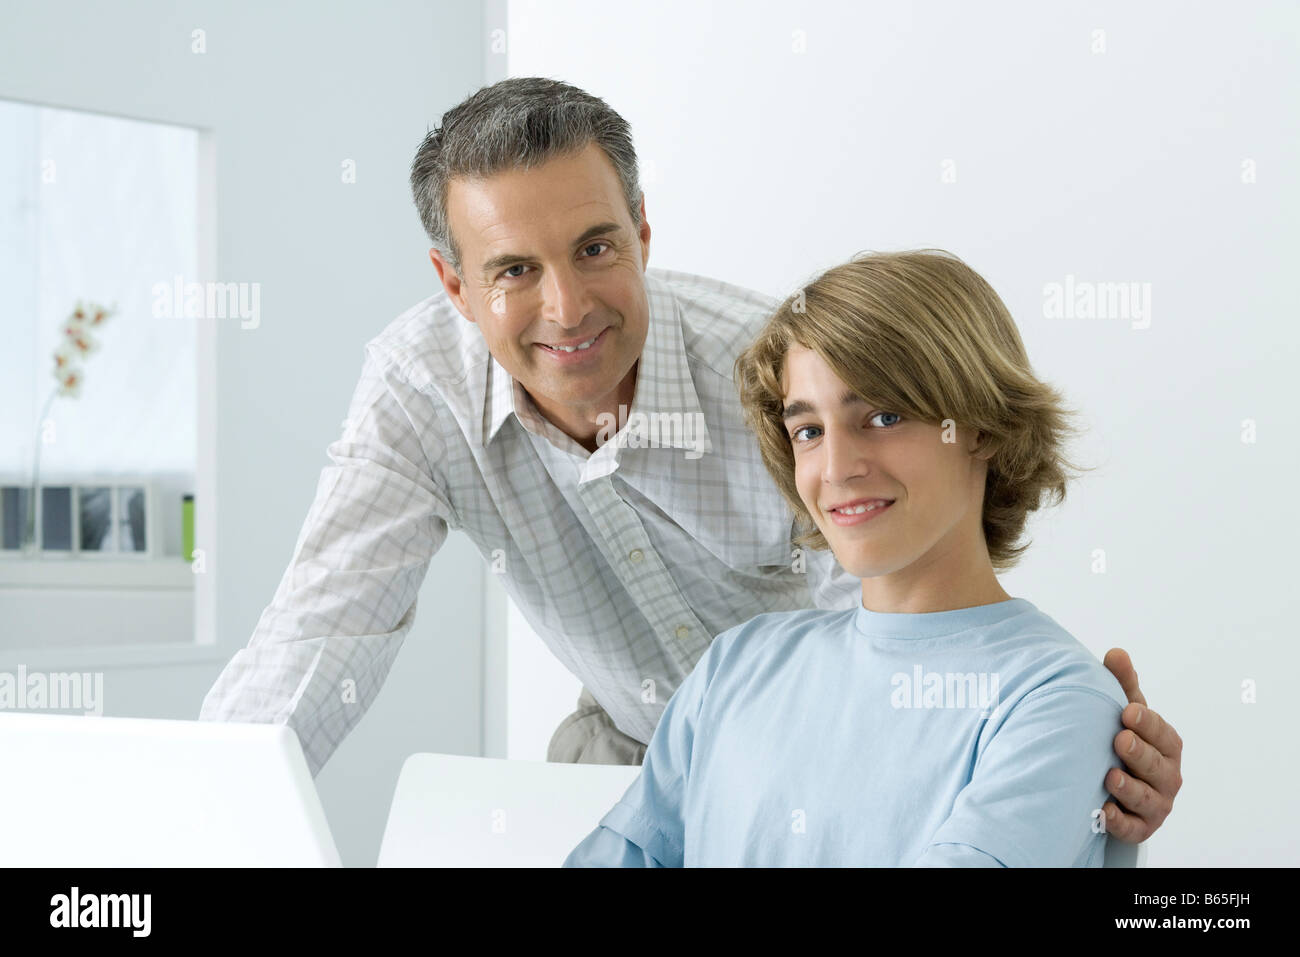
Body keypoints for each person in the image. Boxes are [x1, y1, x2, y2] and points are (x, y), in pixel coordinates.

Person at [198, 78, 1181, 846]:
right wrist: (193, 828)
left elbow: (901, 619)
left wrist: (1058, 762)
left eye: (594, 249)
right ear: (452, 285)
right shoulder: (419, 389)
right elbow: (316, 642)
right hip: (625, 751)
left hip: (838, 764)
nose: (567, 309)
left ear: (643, 233)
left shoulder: (778, 375)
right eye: (511, 271)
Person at [565, 250, 1135, 866]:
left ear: (983, 428)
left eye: (883, 417)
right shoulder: (736, 667)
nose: (836, 468)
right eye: (808, 430)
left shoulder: (1057, 700)